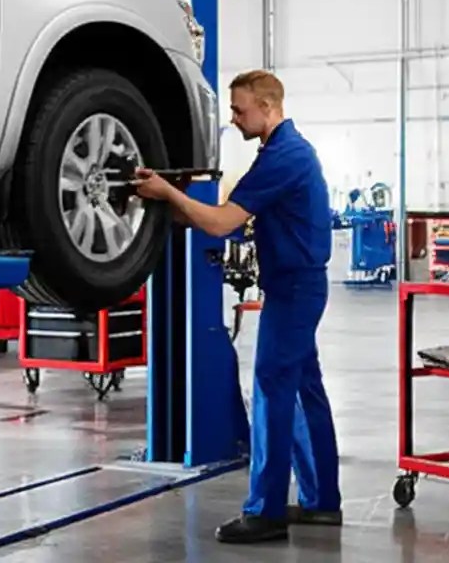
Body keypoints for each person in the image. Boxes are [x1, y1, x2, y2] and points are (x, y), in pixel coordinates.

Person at [132, 69, 342, 544]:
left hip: (293, 291)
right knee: (305, 389)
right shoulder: (283, 151)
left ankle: (265, 512)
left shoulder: (284, 157)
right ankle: (321, 501)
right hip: (299, 285)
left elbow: (220, 223)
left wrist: (167, 193)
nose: (233, 117)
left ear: (267, 107)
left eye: (239, 109)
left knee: (271, 388)